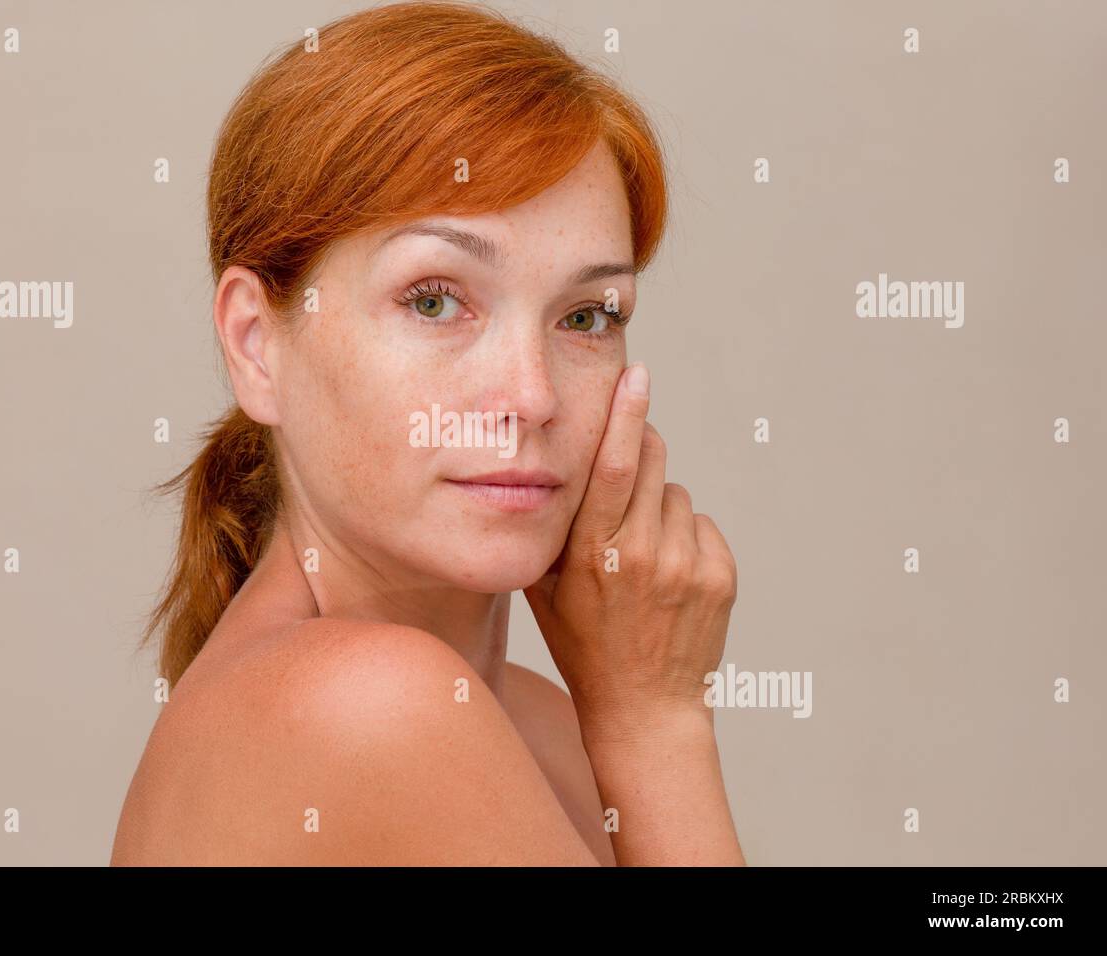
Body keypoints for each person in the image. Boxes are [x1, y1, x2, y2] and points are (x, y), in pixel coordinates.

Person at [110, 0, 743, 866]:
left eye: (588, 316)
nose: (531, 396)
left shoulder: (535, 719)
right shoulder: (376, 705)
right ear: (258, 347)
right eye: (435, 299)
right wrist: (657, 725)